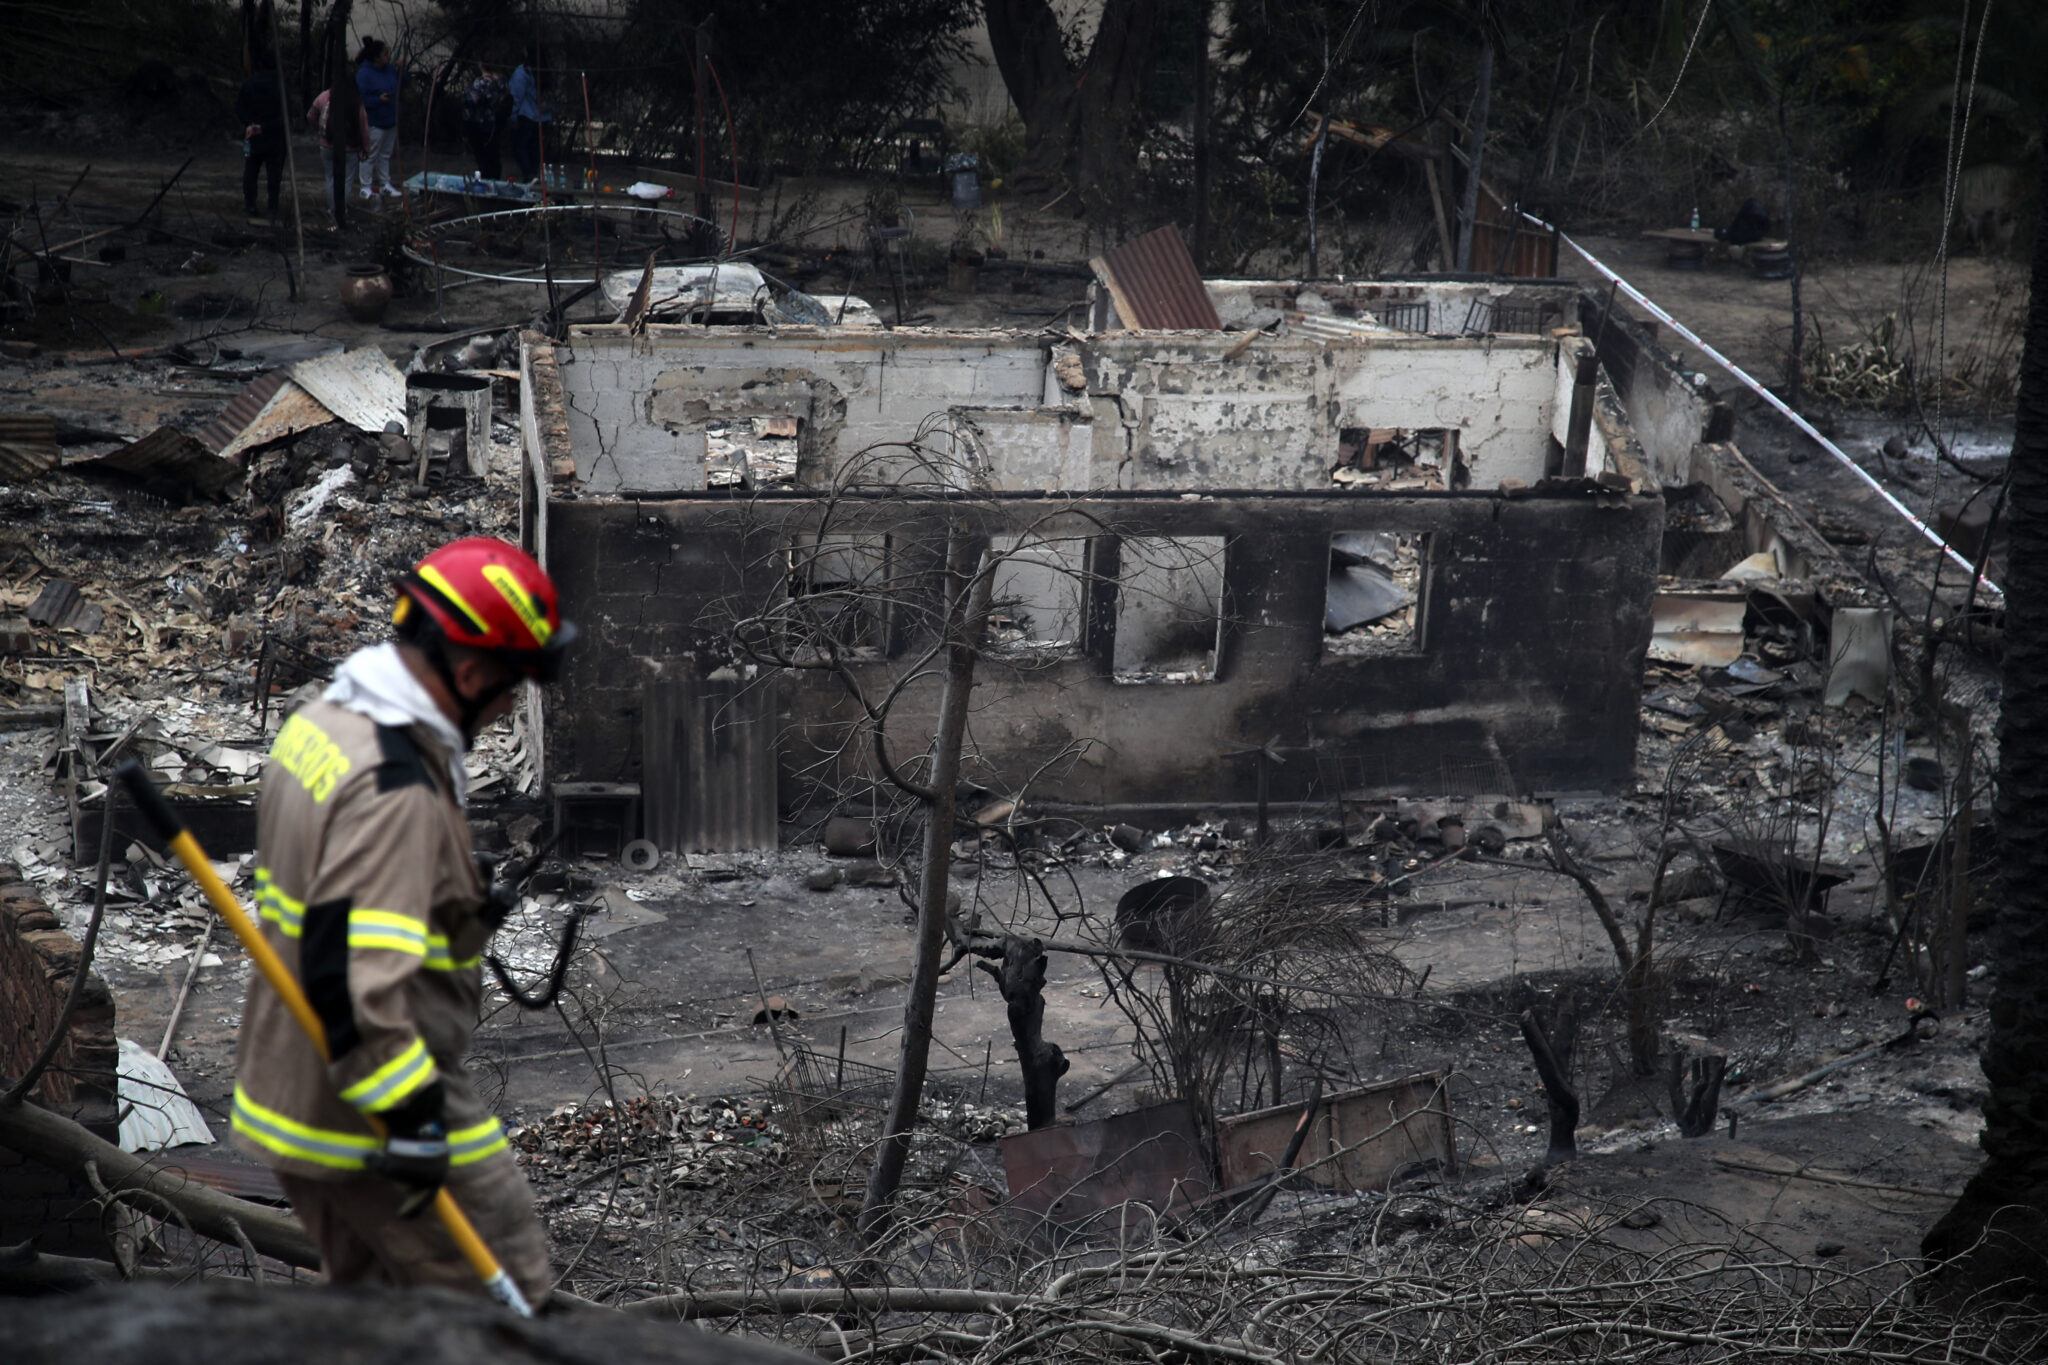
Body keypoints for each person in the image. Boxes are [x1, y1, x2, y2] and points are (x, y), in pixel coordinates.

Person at [231, 538, 575, 1303]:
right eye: (513, 686)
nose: (513, 706)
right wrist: (415, 1124)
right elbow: (356, 985)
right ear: (470, 673)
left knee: (372, 1314)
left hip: (296, 1085)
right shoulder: (398, 793)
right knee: (500, 1296)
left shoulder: (321, 726)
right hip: (374, 1109)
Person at [308, 77, 371, 227]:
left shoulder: (324, 96)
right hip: (350, 148)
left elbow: (310, 116)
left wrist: (320, 131)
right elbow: (364, 128)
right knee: (346, 181)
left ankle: (332, 211)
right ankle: (341, 212)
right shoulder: (356, 102)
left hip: (327, 146)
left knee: (330, 178)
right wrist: (366, 148)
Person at [235, 63, 287, 224]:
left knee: (251, 172)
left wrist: (249, 124)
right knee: (273, 175)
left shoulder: (249, 84)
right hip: (274, 136)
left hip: (254, 135)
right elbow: (285, 115)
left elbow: (239, 108)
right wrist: (263, 127)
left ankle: (250, 205)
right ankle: (272, 208)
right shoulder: (280, 86)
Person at [355, 38, 404, 199]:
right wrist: (378, 100)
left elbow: (403, 84)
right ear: (376, 57)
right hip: (374, 121)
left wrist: (402, 69)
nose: (388, 57)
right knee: (370, 154)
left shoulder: (390, 70)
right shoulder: (364, 74)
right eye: (385, 54)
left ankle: (385, 184)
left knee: (385, 154)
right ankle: (365, 186)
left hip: (390, 119)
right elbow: (360, 99)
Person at [507, 48, 550, 183]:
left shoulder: (523, 72)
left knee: (519, 147)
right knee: (534, 149)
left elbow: (515, 96)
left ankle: (529, 175)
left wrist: (512, 117)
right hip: (542, 117)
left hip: (526, 116)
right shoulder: (546, 72)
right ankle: (532, 174)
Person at [461, 64, 508, 182]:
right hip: (494, 124)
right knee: (493, 155)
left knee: (483, 157)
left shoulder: (481, 84)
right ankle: (494, 180)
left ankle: (486, 182)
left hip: (480, 125)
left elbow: (470, 104)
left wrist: (466, 126)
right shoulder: (502, 82)